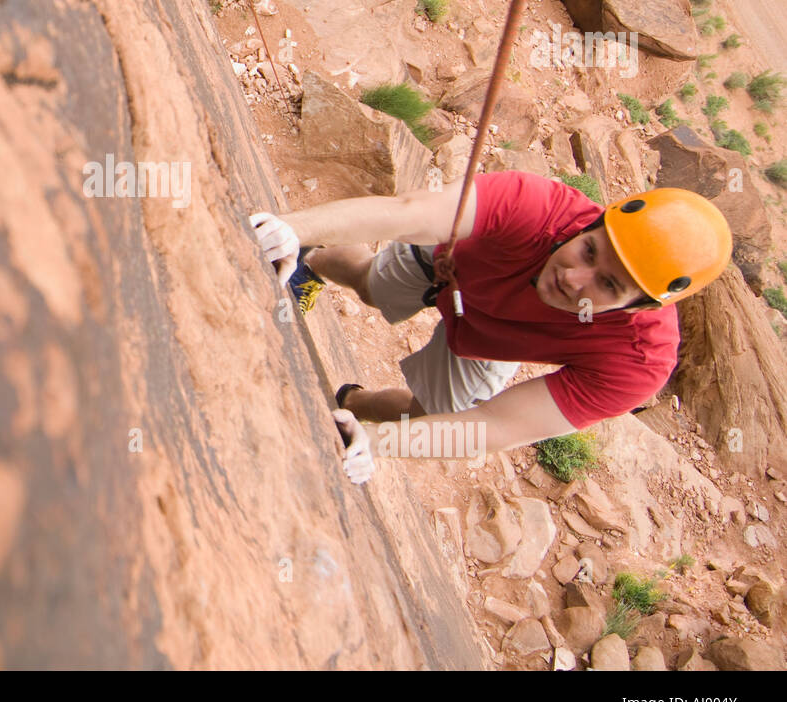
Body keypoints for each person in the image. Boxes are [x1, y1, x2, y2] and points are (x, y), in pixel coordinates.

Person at [250, 171, 733, 485]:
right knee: (372, 285)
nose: (572, 277)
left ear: (639, 306)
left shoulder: (637, 362)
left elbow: (496, 425)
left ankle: (351, 402)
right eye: (589, 250)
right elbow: (410, 212)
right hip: (454, 262)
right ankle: (312, 263)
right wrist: (293, 227)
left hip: (492, 341)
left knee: (427, 419)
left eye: (605, 283)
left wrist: (377, 442)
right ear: (596, 223)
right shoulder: (542, 207)